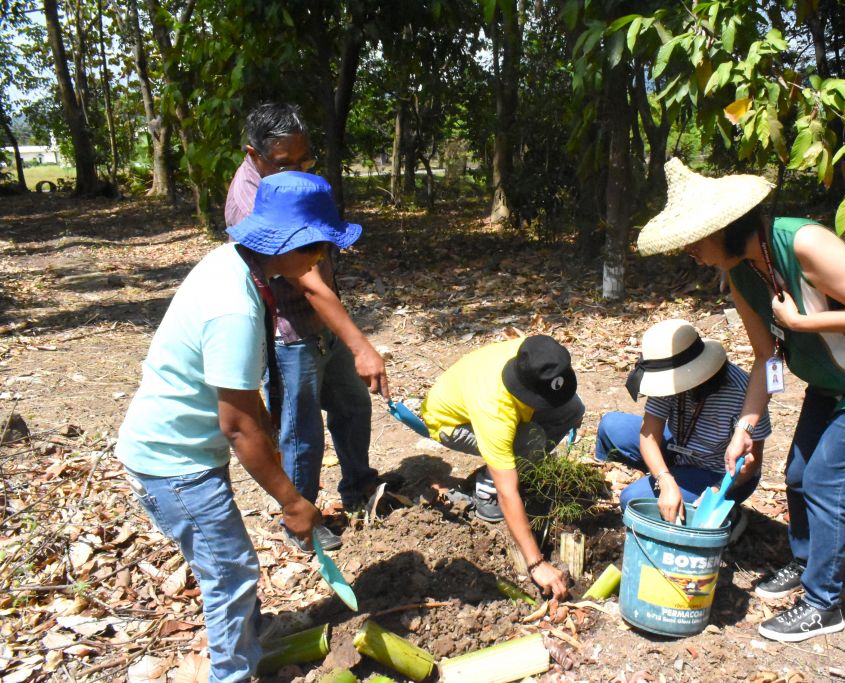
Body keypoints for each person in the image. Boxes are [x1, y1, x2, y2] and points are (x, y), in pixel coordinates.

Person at [636, 159, 845, 642]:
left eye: (695, 240)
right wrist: (744, 427)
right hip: (834, 379)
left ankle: (824, 604)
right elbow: (764, 358)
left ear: (726, 227)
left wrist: (802, 325)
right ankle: (804, 560)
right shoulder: (740, 273)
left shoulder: (804, 242)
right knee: (797, 475)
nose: (691, 252)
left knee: (825, 482)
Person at [116, 172, 362, 682]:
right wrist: (293, 502)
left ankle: (246, 639)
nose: (320, 261)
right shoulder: (233, 306)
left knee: (227, 562)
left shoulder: (235, 266)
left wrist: (268, 431)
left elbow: (243, 406)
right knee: (230, 571)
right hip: (174, 462)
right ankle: (231, 674)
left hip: (187, 449)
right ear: (290, 246)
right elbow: (237, 426)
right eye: (316, 250)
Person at [226, 103, 391, 551]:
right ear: (254, 155)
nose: (296, 171)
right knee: (301, 433)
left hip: (322, 322)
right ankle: (301, 516)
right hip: (289, 333)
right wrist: (362, 345)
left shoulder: (284, 183)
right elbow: (309, 280)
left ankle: (360, 488)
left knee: (353, 406)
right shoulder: (248, 201)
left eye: (305, 163)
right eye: (285, 165)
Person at [420, 335, 585, 600]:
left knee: (571, 409)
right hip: (452, 423)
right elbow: (509, 493)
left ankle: (510, 465)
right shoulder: (495, 410)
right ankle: (486, 487)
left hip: (484, 402)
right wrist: (536, 563)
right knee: (530, 443)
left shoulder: (535, 355)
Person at [595, 319, 771, 534]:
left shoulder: (744, 392)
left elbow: (751, 465)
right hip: (681, 449)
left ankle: (725, 516)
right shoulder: (668, 377)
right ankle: (675, 484)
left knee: (632, 500)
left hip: (717, 472)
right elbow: (648, 435)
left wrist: (718, 488)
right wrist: (665, 480)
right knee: (612, 426)